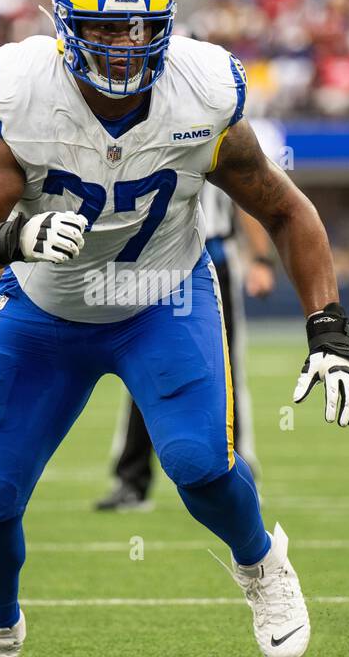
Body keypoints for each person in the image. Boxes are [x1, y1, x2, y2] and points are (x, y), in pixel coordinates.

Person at [0, 0, 349, 657]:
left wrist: (330, 331)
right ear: (64, 27)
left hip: (160, 297)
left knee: (200, 464)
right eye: (105, 28)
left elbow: (287, 211)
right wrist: (13, 236)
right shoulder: (19, 90)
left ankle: (262, 565)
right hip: (43, 308)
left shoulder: (202, 89)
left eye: (140, 27)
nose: (126, 46)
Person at [97, 183, 274, 511]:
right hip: (156, 262)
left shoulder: (216, 138)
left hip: (210, 261)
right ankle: (131, 480)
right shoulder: (156, 138)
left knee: (224, 368)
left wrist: (261, 259)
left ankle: (240, 473)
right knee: (145, 367)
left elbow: (246, 197)